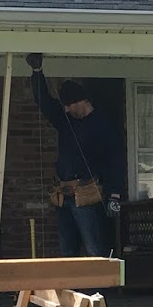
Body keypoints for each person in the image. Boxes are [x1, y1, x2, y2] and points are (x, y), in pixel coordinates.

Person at [27, 52, 124, 258]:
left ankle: (100, 290)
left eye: (69, 105)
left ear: (81, 101)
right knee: (67, 250)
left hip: (89, 192)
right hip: (64, 194)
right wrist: (37, 72)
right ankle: (69, 290)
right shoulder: (65, 120)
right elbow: (44, 102)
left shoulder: (102, 125)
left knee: (94, 248)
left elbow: (115, 160)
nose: (66, 109)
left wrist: (115, 193)